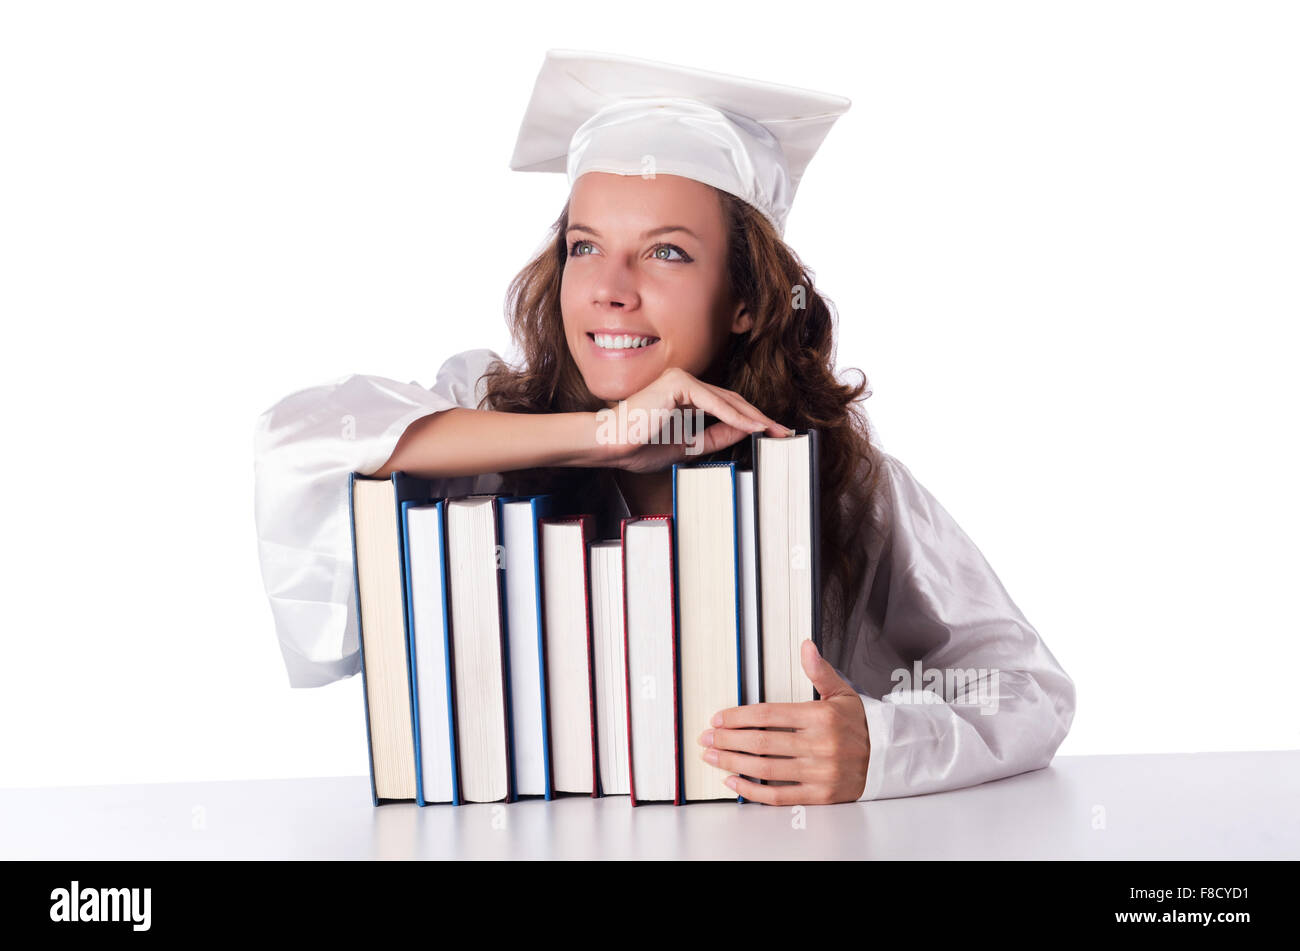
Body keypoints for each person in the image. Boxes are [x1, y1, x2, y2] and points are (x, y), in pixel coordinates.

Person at [253, 49, 1076, 804]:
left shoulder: (833, 478)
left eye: (667, 253)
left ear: (748, 299)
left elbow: (1026, 685)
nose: (610, 288)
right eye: (584, 246)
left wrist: (883, 744)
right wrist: (595, 435)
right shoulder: (486, 425)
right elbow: (302, 447)